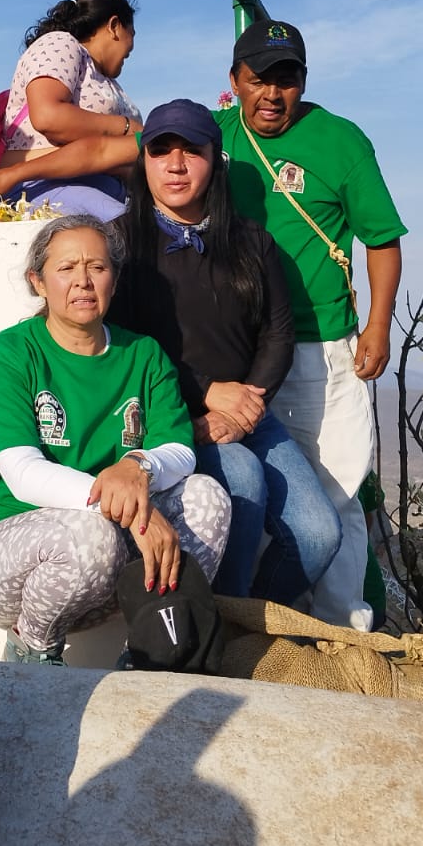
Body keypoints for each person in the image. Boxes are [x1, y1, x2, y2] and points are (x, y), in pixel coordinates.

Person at [0, 214, 231, 666]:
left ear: (114, 280)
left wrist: (137, 465)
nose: (83, 281)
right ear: (37, 282)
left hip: (104, 562)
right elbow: (23, 475)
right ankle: (32, 653)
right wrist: (136, 516)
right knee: (90, 534)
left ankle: (149, 655)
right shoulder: (10, 354)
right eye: (66, 269)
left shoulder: (143, 354)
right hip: (1, 555)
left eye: (97, 267)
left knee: (207, 497)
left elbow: (178, 450)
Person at [108, 99, 341, 604]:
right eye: (160, 150)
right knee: (240, 475)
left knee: (319, 534)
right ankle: (225, 624)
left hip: (250, 414)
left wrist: (248, 403)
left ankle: (252, 619)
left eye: (191, 150)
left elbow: (278, 333)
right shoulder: (121, 246)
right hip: (168, 418)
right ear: (142, 160)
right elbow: (124, 348)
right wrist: (210, 393)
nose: (175, 164)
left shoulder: (250, 240)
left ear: (215, 159)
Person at [215, 20, 405, 631]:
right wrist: (11, 174)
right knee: (259, 499)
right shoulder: (213, 138)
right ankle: (267, 627)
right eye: (259, 79)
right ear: (235, 82)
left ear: (302, 81)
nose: (273, 93)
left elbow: (381, 240)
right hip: (238, 357)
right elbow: (125, 145)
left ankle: (345, 633)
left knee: (340, 496)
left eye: (286, 79)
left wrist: (378, 324)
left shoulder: (341, 141)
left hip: (323, 351)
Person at [0, 0, 142, 221]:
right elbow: (48, 116)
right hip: (46, 187)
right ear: (114, 26)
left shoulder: (106, 80)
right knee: (127, 233)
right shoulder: (62, 44)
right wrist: (125, 128)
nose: (132, 47)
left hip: (109, 190)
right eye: (132, 32)